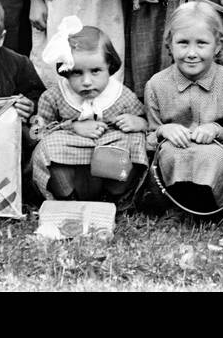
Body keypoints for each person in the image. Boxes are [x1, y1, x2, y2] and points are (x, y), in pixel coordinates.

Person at [144, 2, 223, 218]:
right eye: (183, 43)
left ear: (217, 46)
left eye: (201, 43)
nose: (191, 53)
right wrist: (164, 131)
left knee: (211, 157)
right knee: (172, 154)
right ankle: (177, 207)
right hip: (175, 155)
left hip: (219, 154)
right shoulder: (157, 84)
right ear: (169, 45)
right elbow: (149, 139)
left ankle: (213, 209)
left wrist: (216, 130)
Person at [30, 24, 147, 204]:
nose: (86, 82)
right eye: (77, 73)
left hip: (109, 159)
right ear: (65, 71)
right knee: (47, 146)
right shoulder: (54, 96)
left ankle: (113, 196)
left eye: (95, 71)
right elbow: (37, 133)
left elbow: (148, 122)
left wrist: (138, 123)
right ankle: (68, 197)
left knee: (134, 140)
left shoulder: (121, 95)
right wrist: (72, 126)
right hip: (72, 161)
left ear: (109, 65)